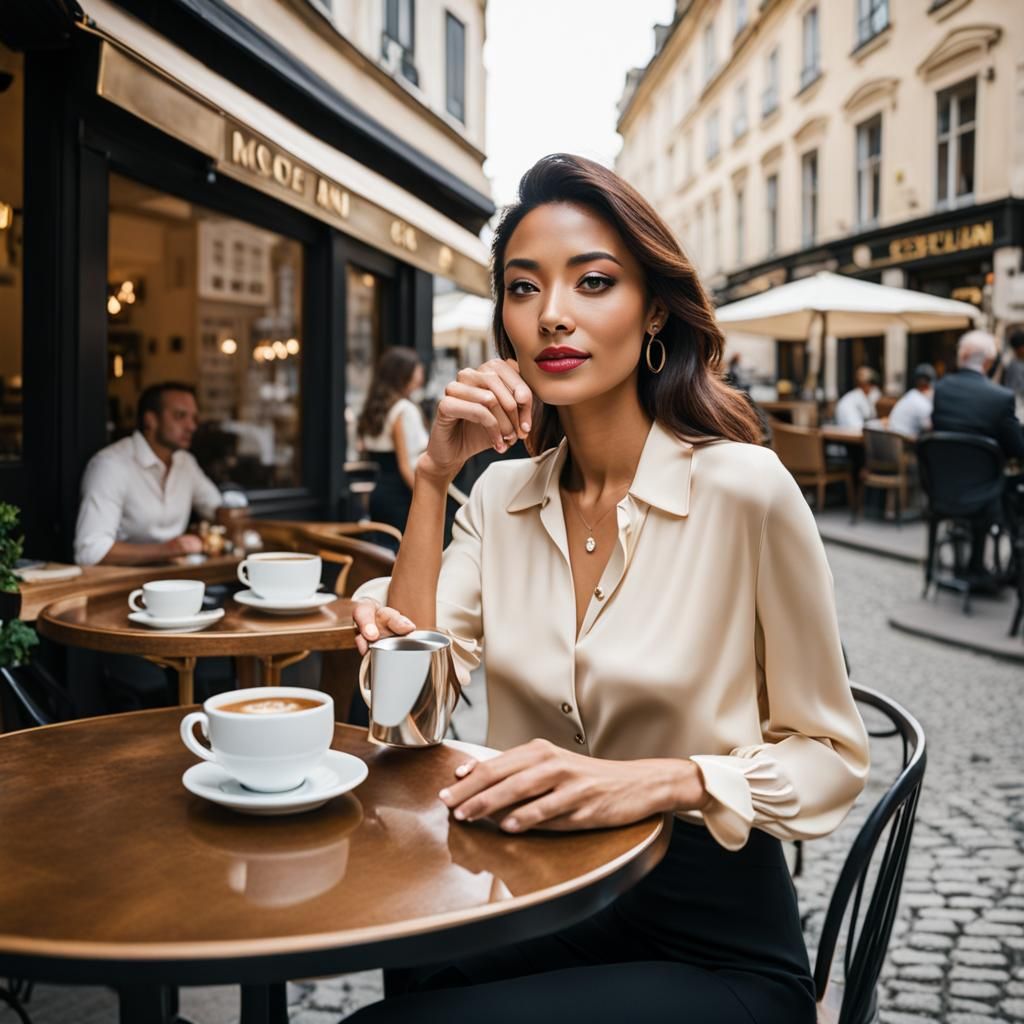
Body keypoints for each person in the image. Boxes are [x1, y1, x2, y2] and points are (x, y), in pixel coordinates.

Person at [347, 154, 869, 1024]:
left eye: (592, 282)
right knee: (413, 969)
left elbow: (833, 756)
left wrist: (669, 781)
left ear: (654, 308)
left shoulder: (746, 489)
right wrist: (435, 479)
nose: (553, 314)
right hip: (537, 891)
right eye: (524, 288)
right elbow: (409, 723)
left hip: (714, 937)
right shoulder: (498, 497)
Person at [74, 382, 223, 566]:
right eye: (180, 416)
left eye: (194, 418)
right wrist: (171, 549)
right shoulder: (111, 464)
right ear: (150, 420)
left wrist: (234, 519)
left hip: (177, 578)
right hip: (123, 585)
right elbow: (90, 551)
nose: (191, 426)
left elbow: (218, 509)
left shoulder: (186, 462)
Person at [357, 348, 429, 537]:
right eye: (417, 369)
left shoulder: (377, 409)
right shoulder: (403, 409)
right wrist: (427, 499)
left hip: (379, 493)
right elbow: (405, 466)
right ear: (403, 373)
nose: (421, 373)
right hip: (402, 495)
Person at [932, 331, 1024, 459]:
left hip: (943, 473)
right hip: (988, 475)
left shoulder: (940, 388)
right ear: (988, 361)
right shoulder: (1002, 397)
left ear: (961, 356)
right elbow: (1017, 449)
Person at [887, 363, 935, 438]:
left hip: (893, 441)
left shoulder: (910, 395)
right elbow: (930, 428)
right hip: (905, 445)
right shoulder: (922, 403)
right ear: (929, 385)